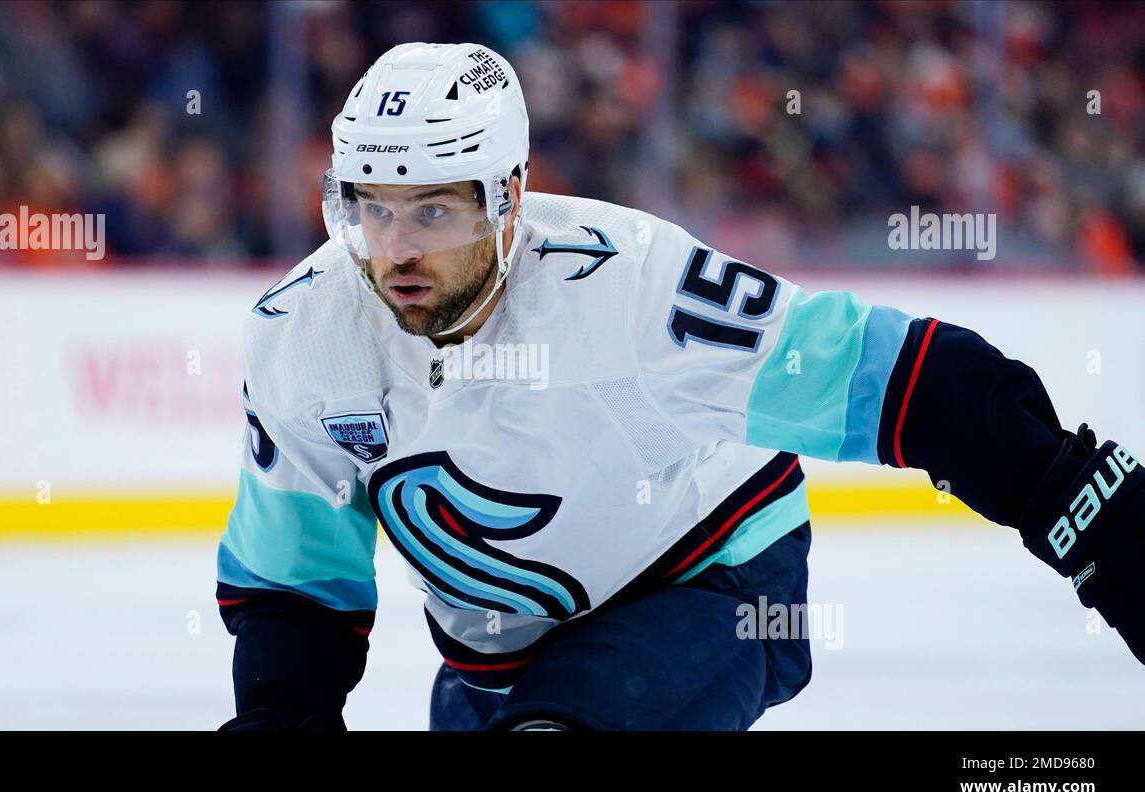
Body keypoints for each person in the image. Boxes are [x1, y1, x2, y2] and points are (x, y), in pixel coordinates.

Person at [215, 42, 1144, 731]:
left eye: (435, 209)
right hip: (498, 664)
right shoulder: (302, 335)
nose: (398, 248)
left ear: (509, 198)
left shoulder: (631, 287)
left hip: (715, 586)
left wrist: (1082, 504)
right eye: (372, 208)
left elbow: (909, 381)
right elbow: (297, 585)